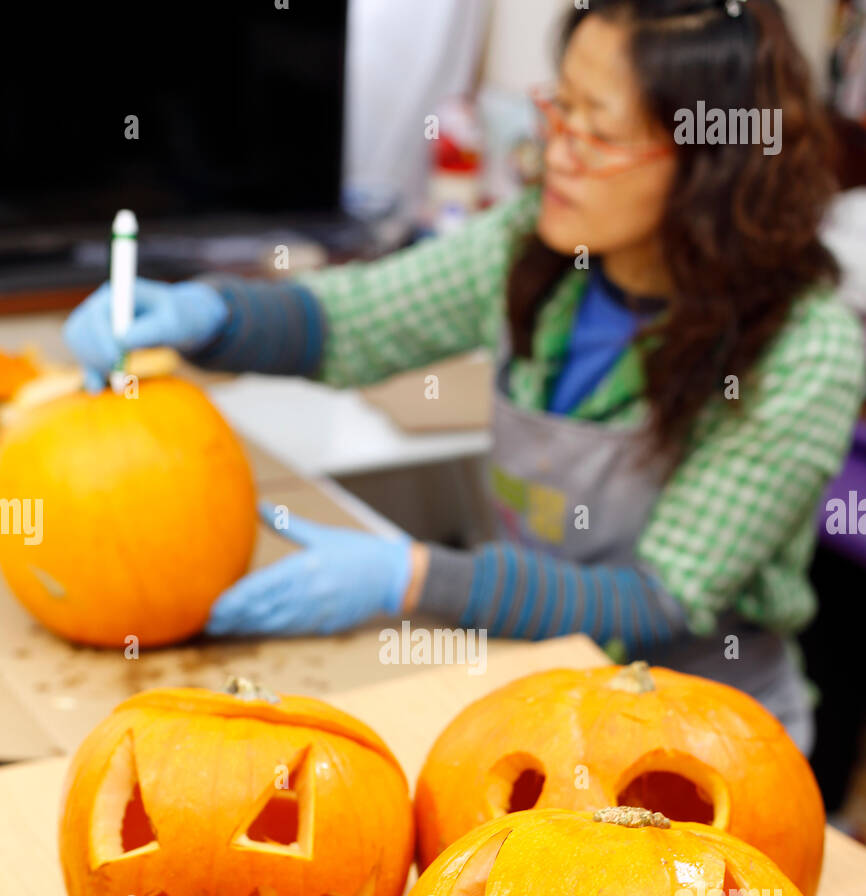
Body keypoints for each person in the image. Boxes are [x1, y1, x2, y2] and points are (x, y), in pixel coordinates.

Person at [65, 0, 865, 754]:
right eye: (560, 110)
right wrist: (210, 314)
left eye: (600, 131)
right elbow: (354, 318)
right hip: (533, 701)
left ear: (712, 163)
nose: (557, 152)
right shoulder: (539, 248)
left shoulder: (803, 349)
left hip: (702, 742)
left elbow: (655, 602)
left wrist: (409, 577)